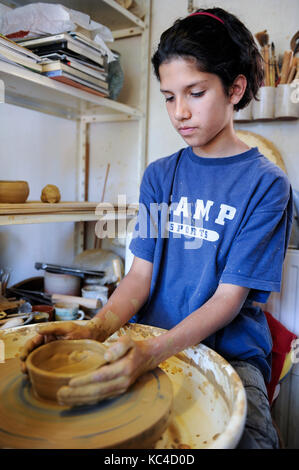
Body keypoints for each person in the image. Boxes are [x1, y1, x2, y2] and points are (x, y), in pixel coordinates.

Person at [20, 8, 293, 448]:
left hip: (230, 351)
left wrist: (152, 353)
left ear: (235, 89)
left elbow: (228, 299)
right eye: (168, 96)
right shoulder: (159, 176)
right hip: (148, 335)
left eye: (195, 92)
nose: (179, 112)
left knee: (252, 440)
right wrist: (96, 329)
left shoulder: (267, 184)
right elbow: (140, 277)